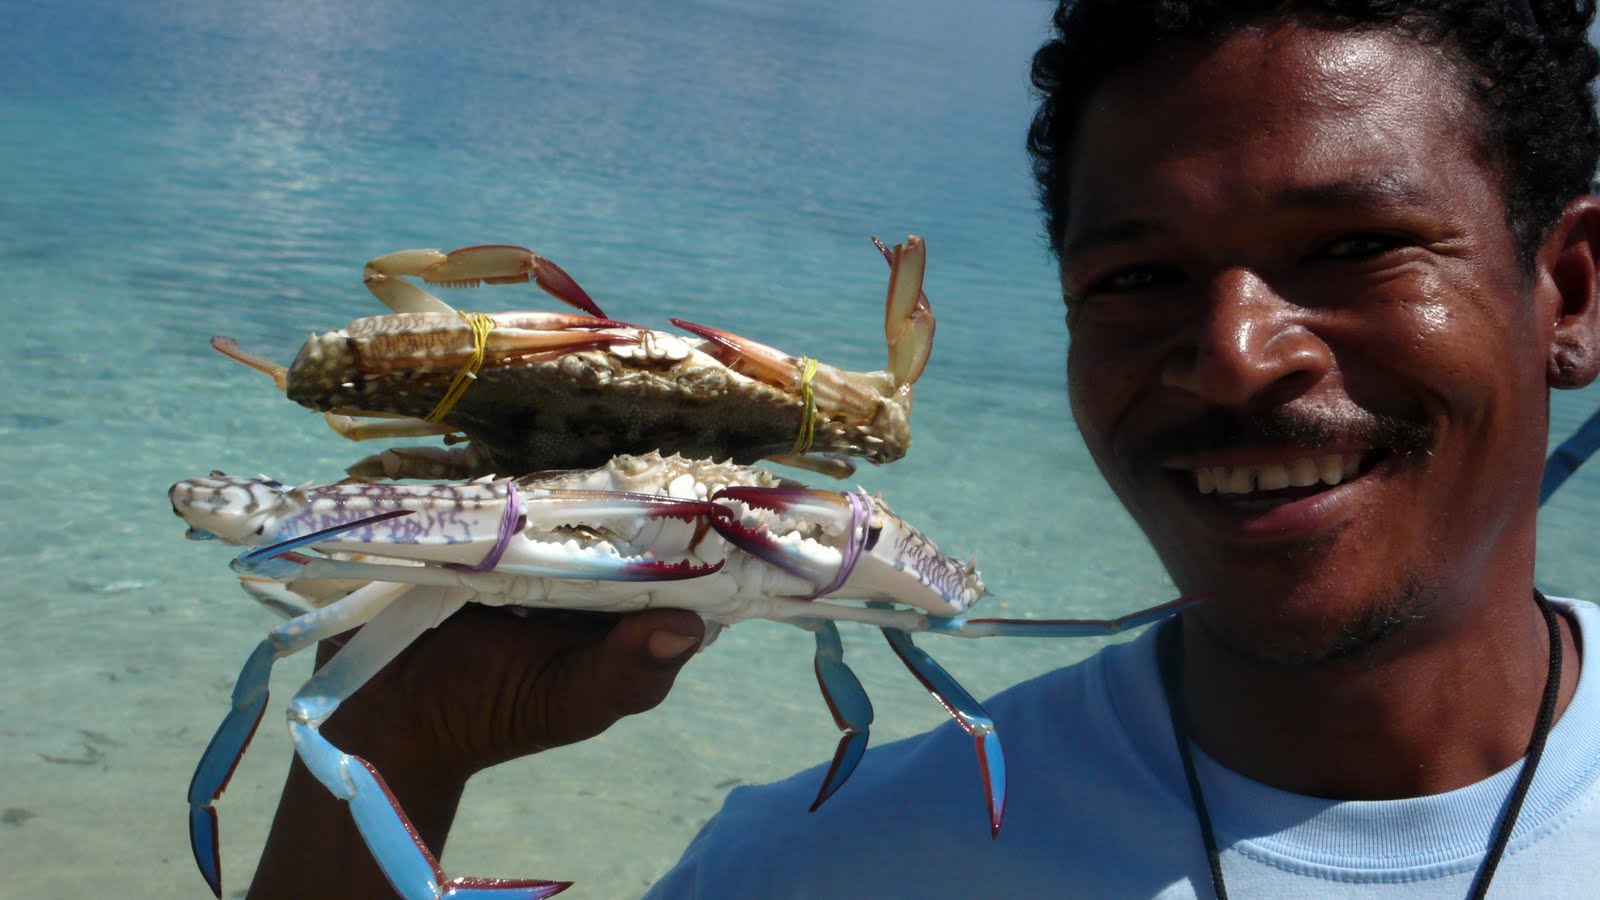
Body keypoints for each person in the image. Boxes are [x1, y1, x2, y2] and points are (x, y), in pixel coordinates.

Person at [248, 1, 1600, 896]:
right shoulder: (824, 869)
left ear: (1575, 296)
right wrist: (406, 737)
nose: (1238, 353)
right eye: (1139, 278)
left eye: (1354, 249)